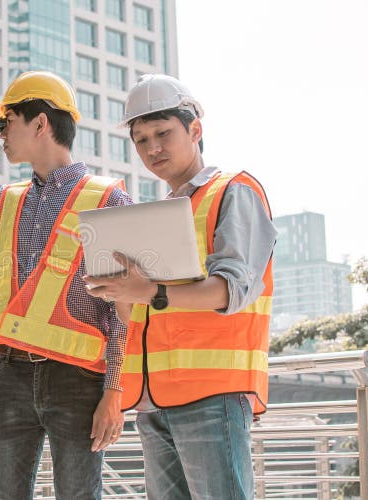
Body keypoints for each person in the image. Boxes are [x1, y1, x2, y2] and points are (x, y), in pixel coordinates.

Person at [0, 70, 132, 499]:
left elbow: (124, 311)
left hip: (78, 378)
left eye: (9, 122)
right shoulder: (2, 203)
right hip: (8, 374)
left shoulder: (106, 200)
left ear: (40, 124)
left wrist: (114, 390)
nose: (1, 135)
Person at [84, 74, 277, 500]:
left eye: (163, 134)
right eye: (141, 139)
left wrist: (151, 292)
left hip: (212, 396)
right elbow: (142, 312)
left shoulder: (233, 191)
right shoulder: (158, 216)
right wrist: (120, 292)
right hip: (153, 401)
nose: (152, 148)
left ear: (195, 130)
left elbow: (232, 290)